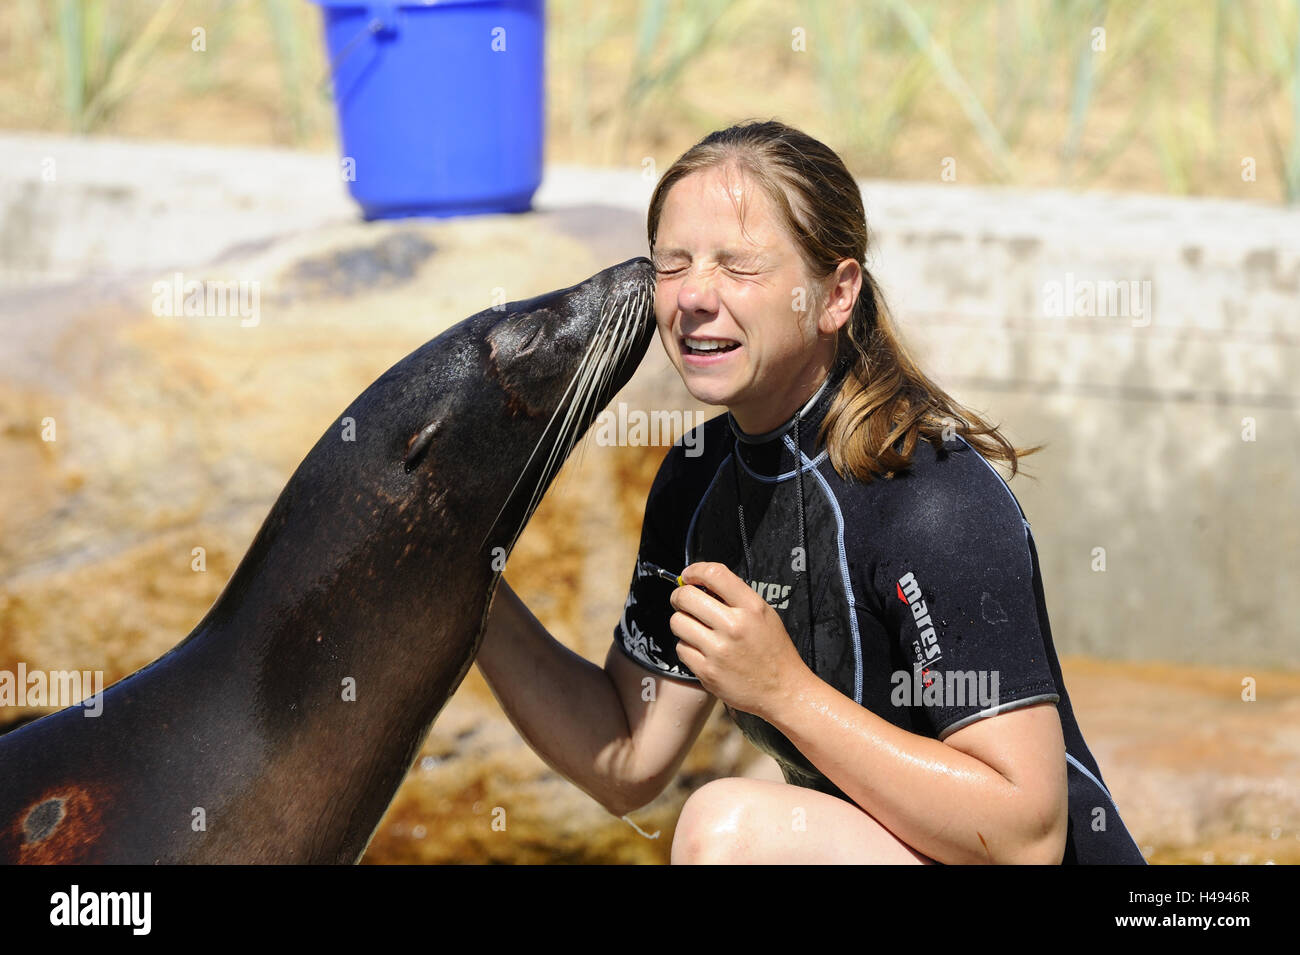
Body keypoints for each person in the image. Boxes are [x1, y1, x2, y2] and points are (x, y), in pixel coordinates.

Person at [477, 119, 1145, 865]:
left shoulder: (930, 499)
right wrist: (465, 586)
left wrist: (785, 692)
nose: (695, 294)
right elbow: (628, 756)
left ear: (835, 295)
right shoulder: (697, 482)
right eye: (674, 263)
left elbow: (1028, 834)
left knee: (729, 832)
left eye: (739, 266)